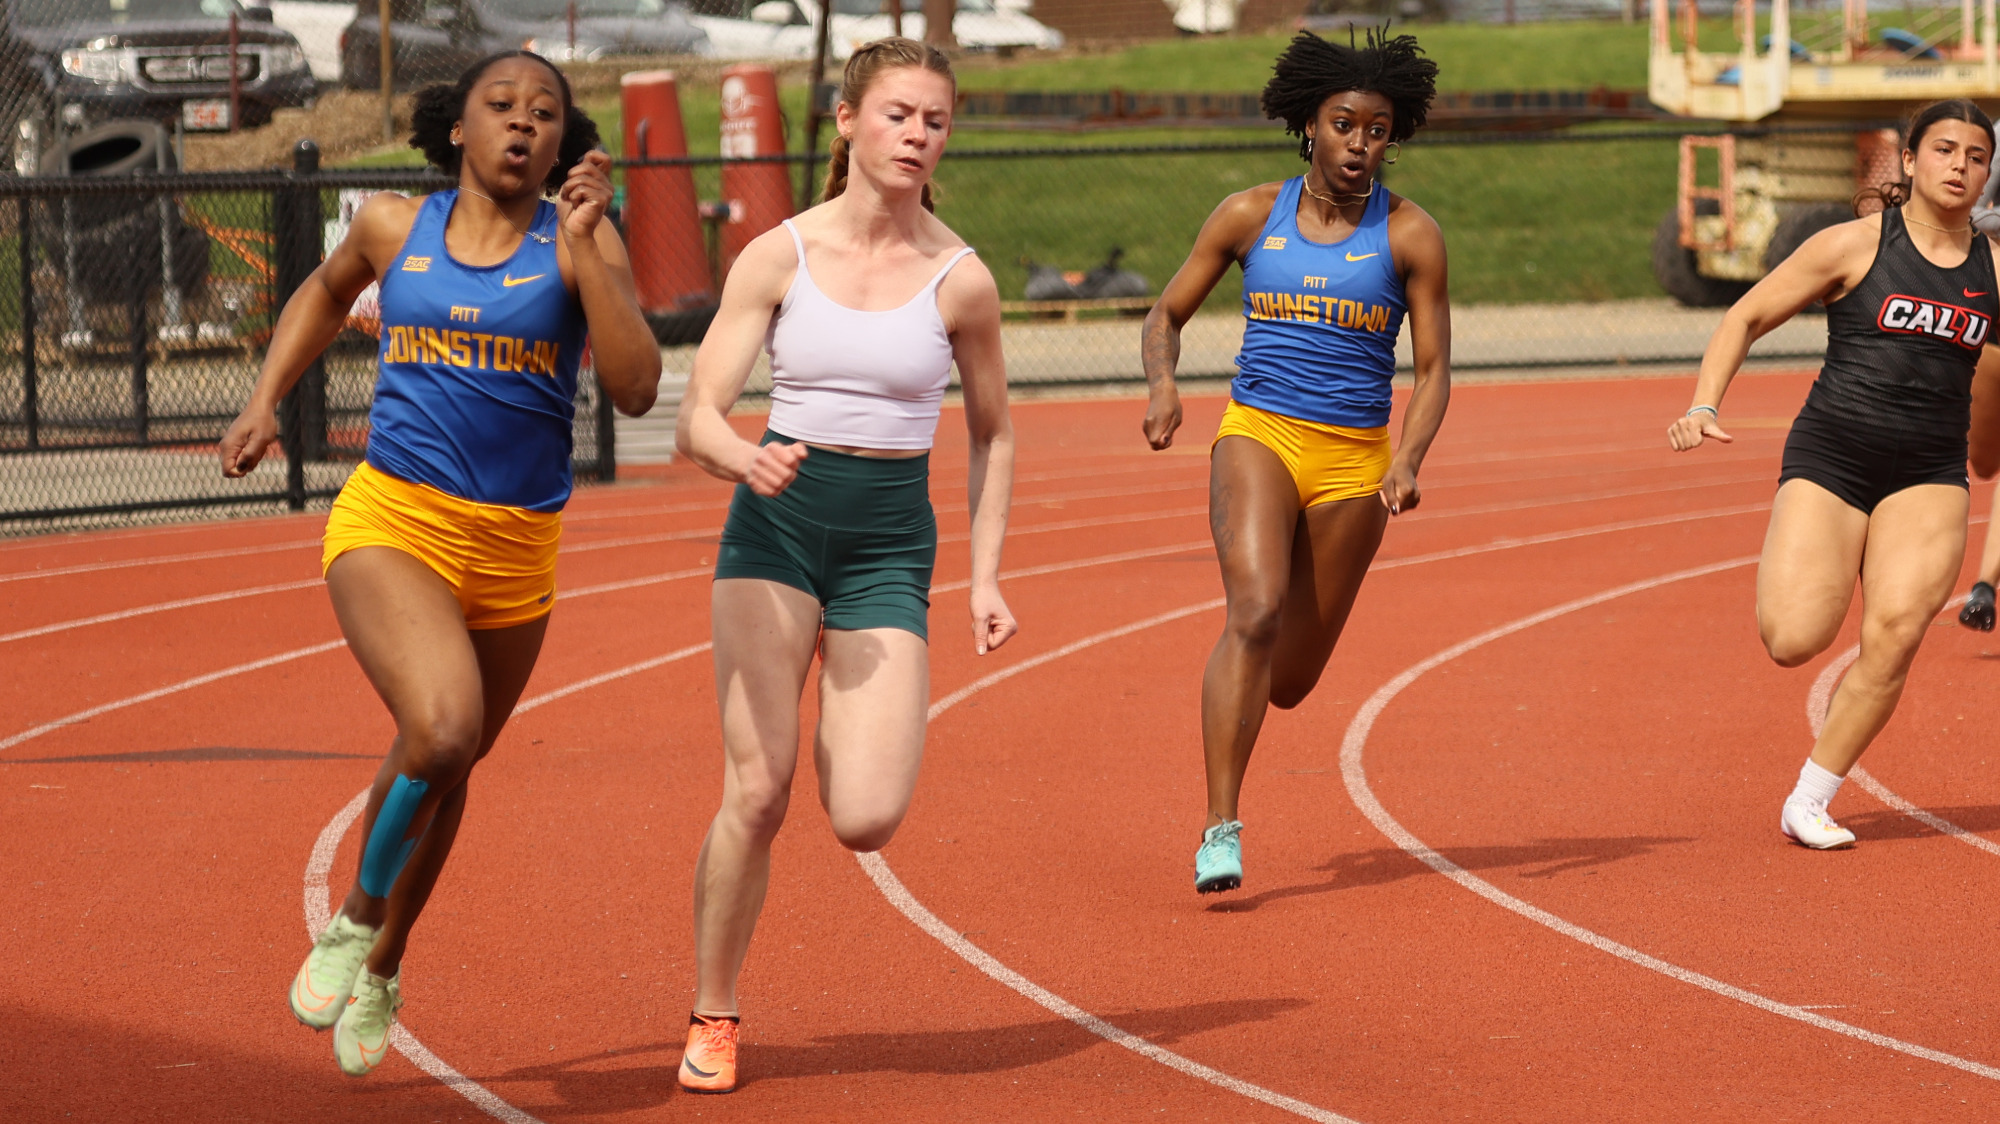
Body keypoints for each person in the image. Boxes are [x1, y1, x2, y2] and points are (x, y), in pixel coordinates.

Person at [218, 51, 660, 1075]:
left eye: (543, 115)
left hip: (515, 549)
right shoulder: (389, 226)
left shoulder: (578, 244)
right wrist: (262, 397)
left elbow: (635, 387)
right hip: (395, 519)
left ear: (563, 145)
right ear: (456, 128)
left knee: (447, 762)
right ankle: (357, 914)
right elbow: (323, 297)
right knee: (443, 721)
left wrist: (590, 250)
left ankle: (385, 960)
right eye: (500, 107)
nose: (521, 126)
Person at [671, 37, 1015, 1094]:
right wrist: (740, 452)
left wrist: (984, 575)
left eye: (935, 121)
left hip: (883, 548)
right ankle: (713, 1010)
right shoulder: (779, 254)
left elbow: (995, 432)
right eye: (899, 114)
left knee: (864, 816)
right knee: (758, 788)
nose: (917, 135)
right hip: (773, 535)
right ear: (848, 121)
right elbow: (697, 412)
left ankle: (834, 719)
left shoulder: (960, 279)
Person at [1141, 29, 1451, 895]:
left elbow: (1433, 371)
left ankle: (1244, 697)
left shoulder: (1412, 236)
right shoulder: (1248, 215)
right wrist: (1164, 388)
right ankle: (1220, 827)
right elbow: (1165, 315)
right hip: (1260, 435)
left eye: (1379, 129)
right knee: (1254, 608)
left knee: (1293, 681)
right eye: (1345, 125)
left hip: (1356, 464)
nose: (1361, 144)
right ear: (1309, 125)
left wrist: (1409, 458)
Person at [1669, 99, 1998, 849]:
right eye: (1945, 149)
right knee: (1792, 637)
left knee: (1895, 634)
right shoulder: (1852, 245)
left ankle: (1811, 797)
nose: (1960, 166)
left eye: (1976, 156)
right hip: (1835, 455)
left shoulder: (1994, 269)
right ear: (1909, 161)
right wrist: (1704, 402)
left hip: (1930, 471)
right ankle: (1819, 551)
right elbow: (1744, 316)